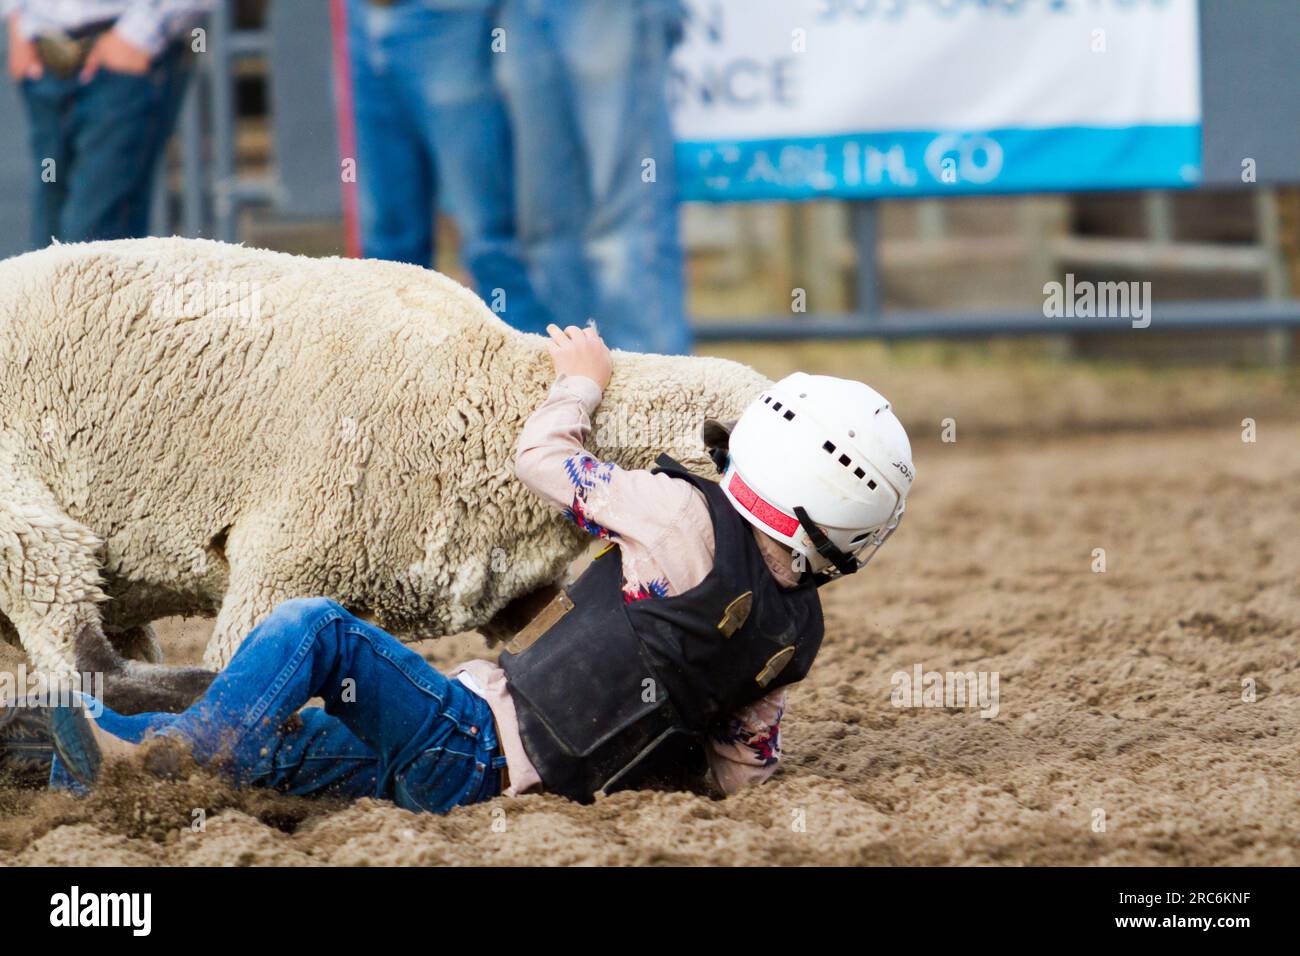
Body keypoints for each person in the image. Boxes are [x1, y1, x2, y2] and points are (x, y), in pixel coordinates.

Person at [6, 326, 915, 811]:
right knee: (288, 752)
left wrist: (580, 382)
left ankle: (170, 768)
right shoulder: (794, 640)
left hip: (469, 743)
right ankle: (65, 754)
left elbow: (543, 462)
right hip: (487, 784)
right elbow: (738, 772)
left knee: (314, 630)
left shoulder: (678, 515)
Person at [493, 0, 692, 354]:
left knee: (626, 235)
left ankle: (655, 398)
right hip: (517, 11)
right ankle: (571, 392)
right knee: (548, 240)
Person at [343, 0, 551, 333]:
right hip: (362, 17)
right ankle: (392, 374)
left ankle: (533, 373)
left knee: (492, 239)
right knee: (386, 248)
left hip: (453, 18)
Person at [3, 0, 211, 247]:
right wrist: (16, 21)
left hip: (125, 62)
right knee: (47, 243)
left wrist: (139, 34)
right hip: (43, 60)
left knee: (92, 243)